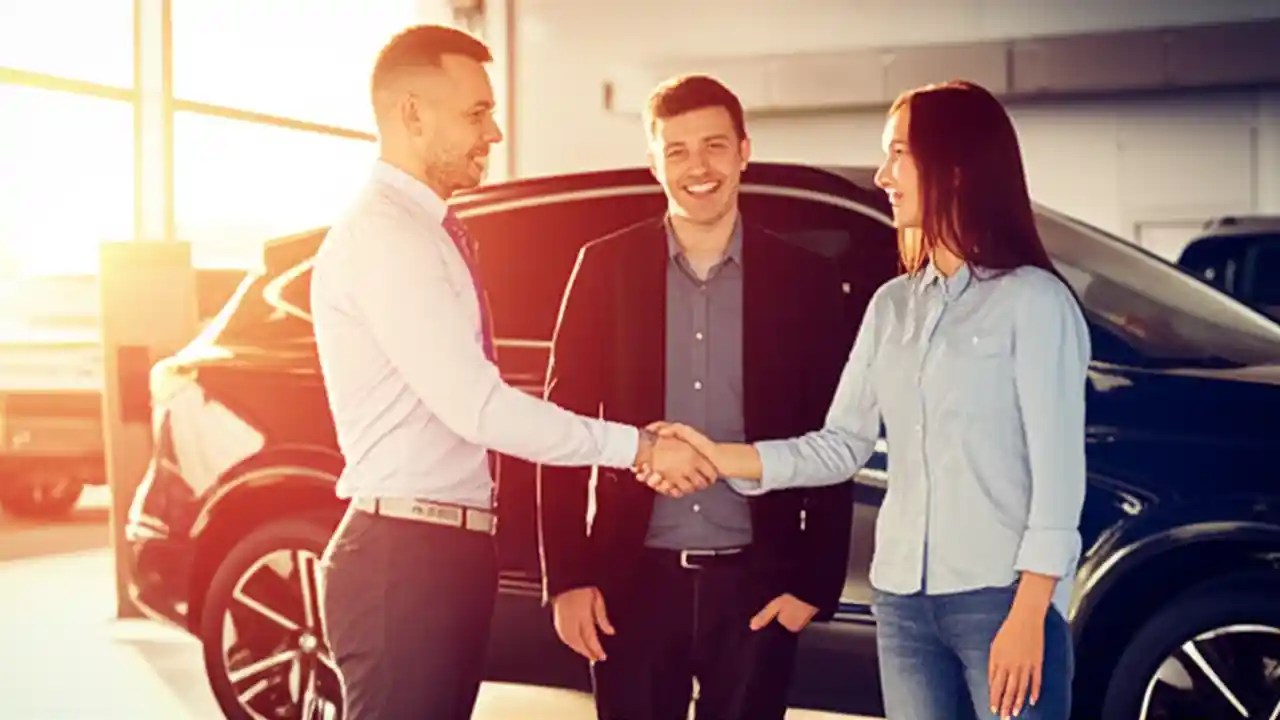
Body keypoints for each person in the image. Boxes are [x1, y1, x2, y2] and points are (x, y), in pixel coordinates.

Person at [645, 80, 1090, 720]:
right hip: (903, 606)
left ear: (957, 168)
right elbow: (841, 446)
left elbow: (1058, 479)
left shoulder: (1035, 304)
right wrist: (719, 458)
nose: (883, 175)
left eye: (898, 154)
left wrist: (1032, 612)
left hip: (1001, 600)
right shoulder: (892, 307)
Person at [310, 25, 715, 720]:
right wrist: (639, 447)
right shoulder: (388, 237)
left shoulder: (424, 231)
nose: (493, 133)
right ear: (411, 113)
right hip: (405, 560)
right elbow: (480, 409)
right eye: (476, 113)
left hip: (438, 552)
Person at [538, 74, 856, 720]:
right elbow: (561, 428)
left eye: (713, 145)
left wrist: (811, 585)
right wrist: (567, 579)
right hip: (631, 583)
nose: (698, 167)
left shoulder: (808, 280)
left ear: (744, 150)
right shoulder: (604, 268)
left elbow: (832, 437)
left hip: (758, 586)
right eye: (676, 150)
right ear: (654, 163)